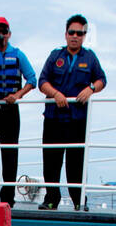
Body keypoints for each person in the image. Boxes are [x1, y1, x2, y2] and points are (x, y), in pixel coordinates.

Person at [37, 15, 106, 210]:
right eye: (71, 32)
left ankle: (78, 200)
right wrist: (55, 93)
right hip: (54, 118)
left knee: (76, 162)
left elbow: (102, 79)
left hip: (77, 119)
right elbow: (42, 81)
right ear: (66, 34)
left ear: (84, 35)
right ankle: (51, 199)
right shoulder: (55, 56)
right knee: (51, 162)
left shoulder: (90, 57)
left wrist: (91, 88)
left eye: (80, 33)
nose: (75, 36)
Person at [0, 18, 36, 206]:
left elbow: (32, 79)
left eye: (3, 31)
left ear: (9, 34)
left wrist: (17, 95)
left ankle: (8, 198)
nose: (1, 35)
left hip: (10, 111)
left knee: (9, 155)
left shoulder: (18, 55)